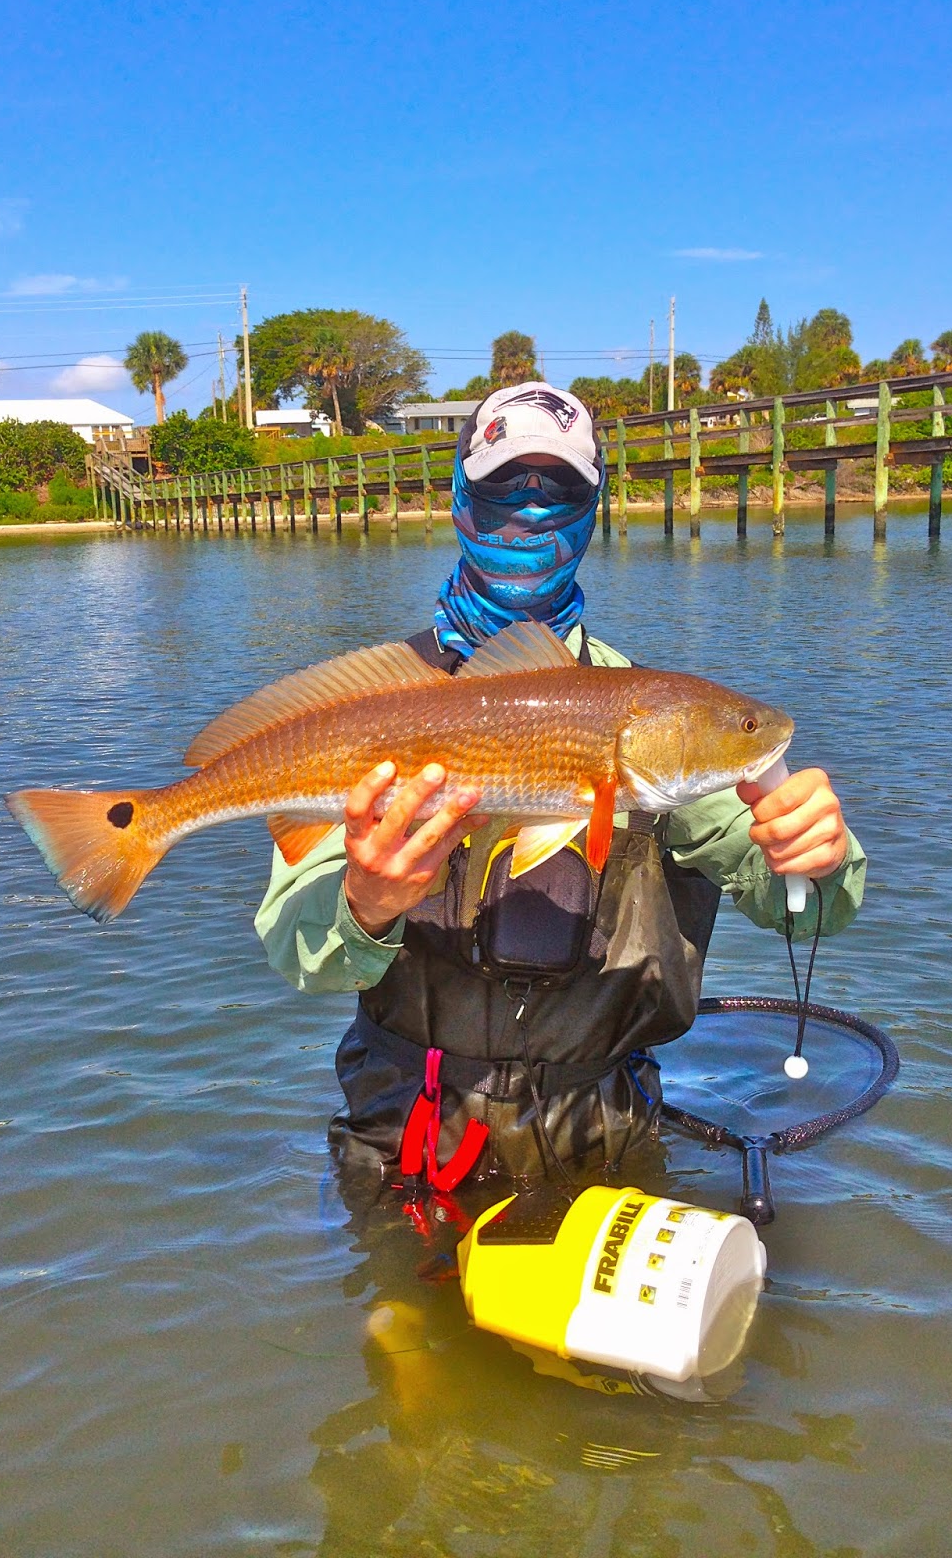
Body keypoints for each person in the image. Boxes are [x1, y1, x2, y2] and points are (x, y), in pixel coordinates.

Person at [256, 383, 865, 1192]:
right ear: (461, 501)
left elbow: (803, 911)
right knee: (397, 1318)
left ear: (593, 511)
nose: (533, 510)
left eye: (563, 489)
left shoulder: (651, 713)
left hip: (602, 1142)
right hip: (405, 1133)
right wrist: (365, 903)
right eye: (507, 484)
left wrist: (815, 859)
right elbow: (299, 956)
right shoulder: (375, 709)